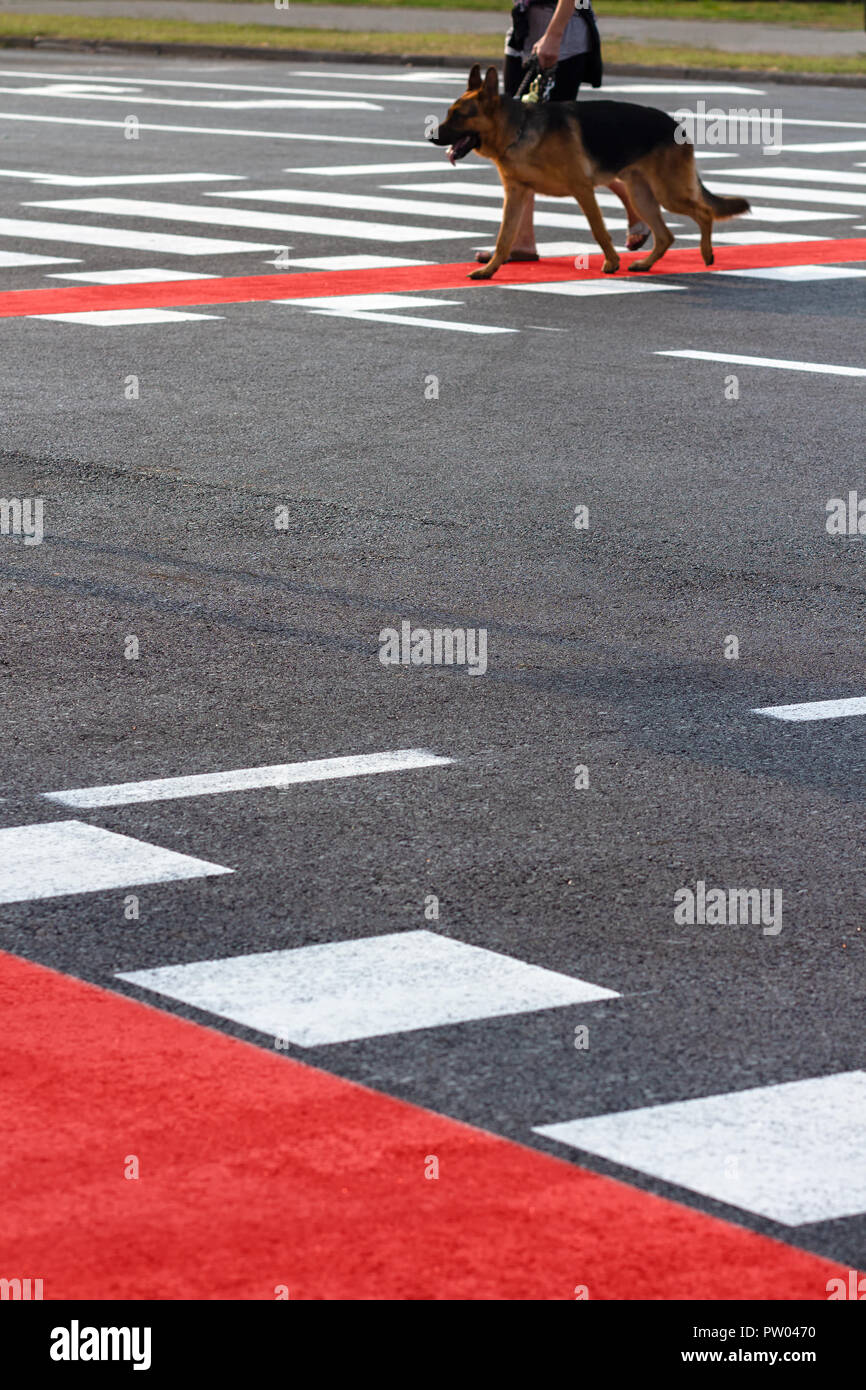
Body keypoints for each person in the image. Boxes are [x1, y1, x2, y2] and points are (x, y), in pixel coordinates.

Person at [475, 0, 649, 264]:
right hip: (524, 35)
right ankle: (522, 241)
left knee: (555, 149)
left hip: (559, 40)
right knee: (518, 144)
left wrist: (553, 36)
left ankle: (632, 195)